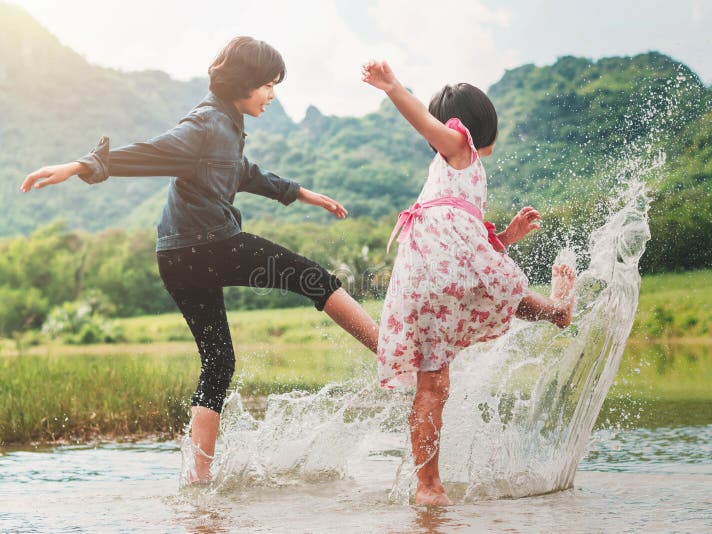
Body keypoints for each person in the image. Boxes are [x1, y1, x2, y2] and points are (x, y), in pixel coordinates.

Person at [20, 37, 379, 483]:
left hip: (175, 256)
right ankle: (391, 354)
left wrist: (299, 193)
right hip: (209, 245)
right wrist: (81, 165)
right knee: (313, 278)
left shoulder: (224, 126)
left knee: (218, 360)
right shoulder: (207, 123)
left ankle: (198, 481)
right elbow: (151, 152)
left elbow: (241, 171)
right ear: (244, 84)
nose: (272, 95)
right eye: (267, 85)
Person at [362, 60, 575, 506]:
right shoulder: (459, 145)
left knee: (433, 384)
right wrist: (392, 87)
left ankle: (428, 489)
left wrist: (507, 237)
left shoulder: (455, 174)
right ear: (478, 126)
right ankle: (557, 310)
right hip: (437, 268)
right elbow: (424, 121)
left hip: (422, 276)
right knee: (511, 292)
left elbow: (469, 239)